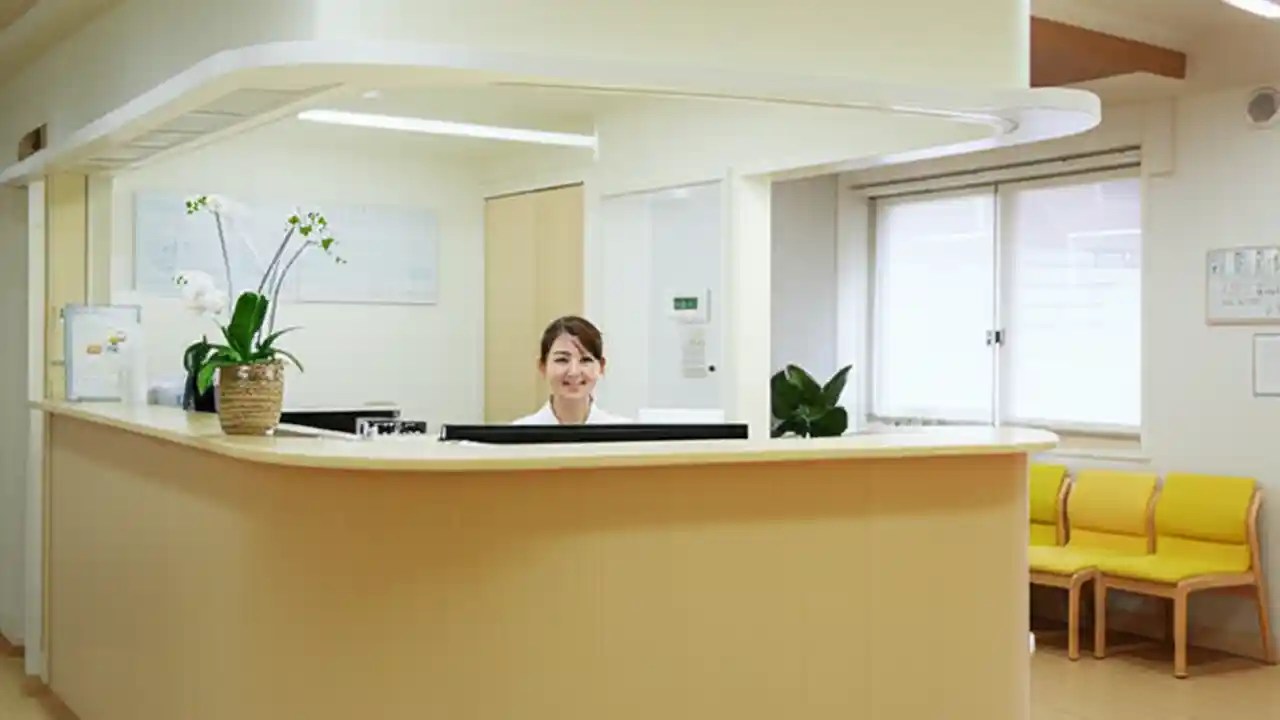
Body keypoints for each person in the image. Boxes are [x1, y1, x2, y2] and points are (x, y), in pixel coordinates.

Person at [512, 315, 630, 425]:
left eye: (585, 360)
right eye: (562, 360)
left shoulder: (625, 435)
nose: (574, 372)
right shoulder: (519, 434)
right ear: (542, 366)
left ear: (601, 366)